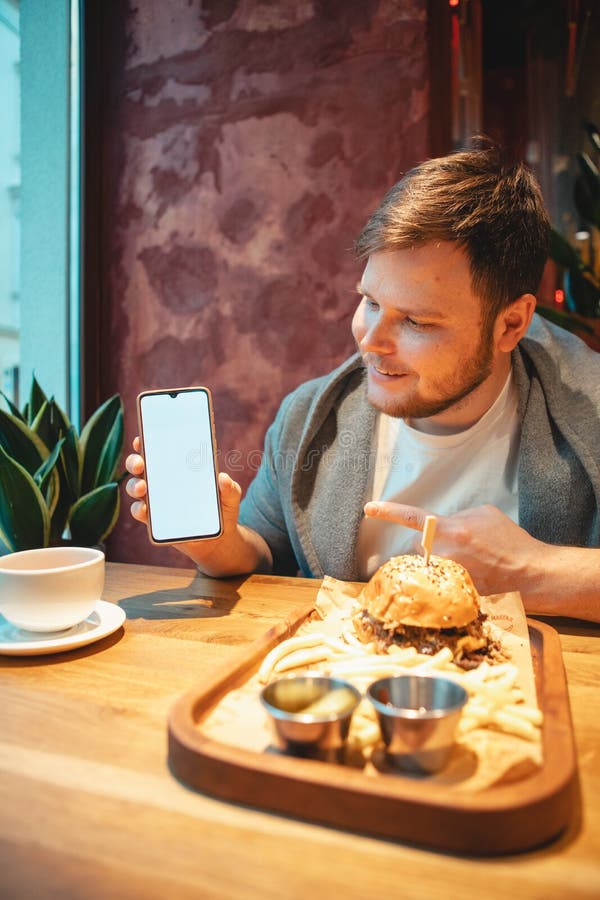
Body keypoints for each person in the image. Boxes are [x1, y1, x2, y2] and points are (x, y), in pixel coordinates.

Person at [126, 143, 600, 622]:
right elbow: (267, 554)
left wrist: (534, 572)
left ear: (510, 325)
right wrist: (218, 542)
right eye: (371, 302)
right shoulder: (309, 418)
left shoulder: (590, 409)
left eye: (415, 321)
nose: (370, 342)